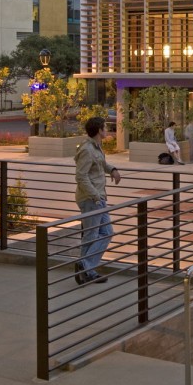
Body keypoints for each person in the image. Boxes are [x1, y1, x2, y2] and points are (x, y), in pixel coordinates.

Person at [73, 116, 121, 285]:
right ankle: (87, 269)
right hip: (91, 198)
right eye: (104, 127)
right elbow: (81, 176)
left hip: (98, 197)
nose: (107, 129)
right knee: (92, 234)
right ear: (99, 130)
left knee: (104, 233)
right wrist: (95, 195)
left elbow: (101, 164)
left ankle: (85, 268)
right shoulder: (87, 149)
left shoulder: (96, 146)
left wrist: (113, 170)